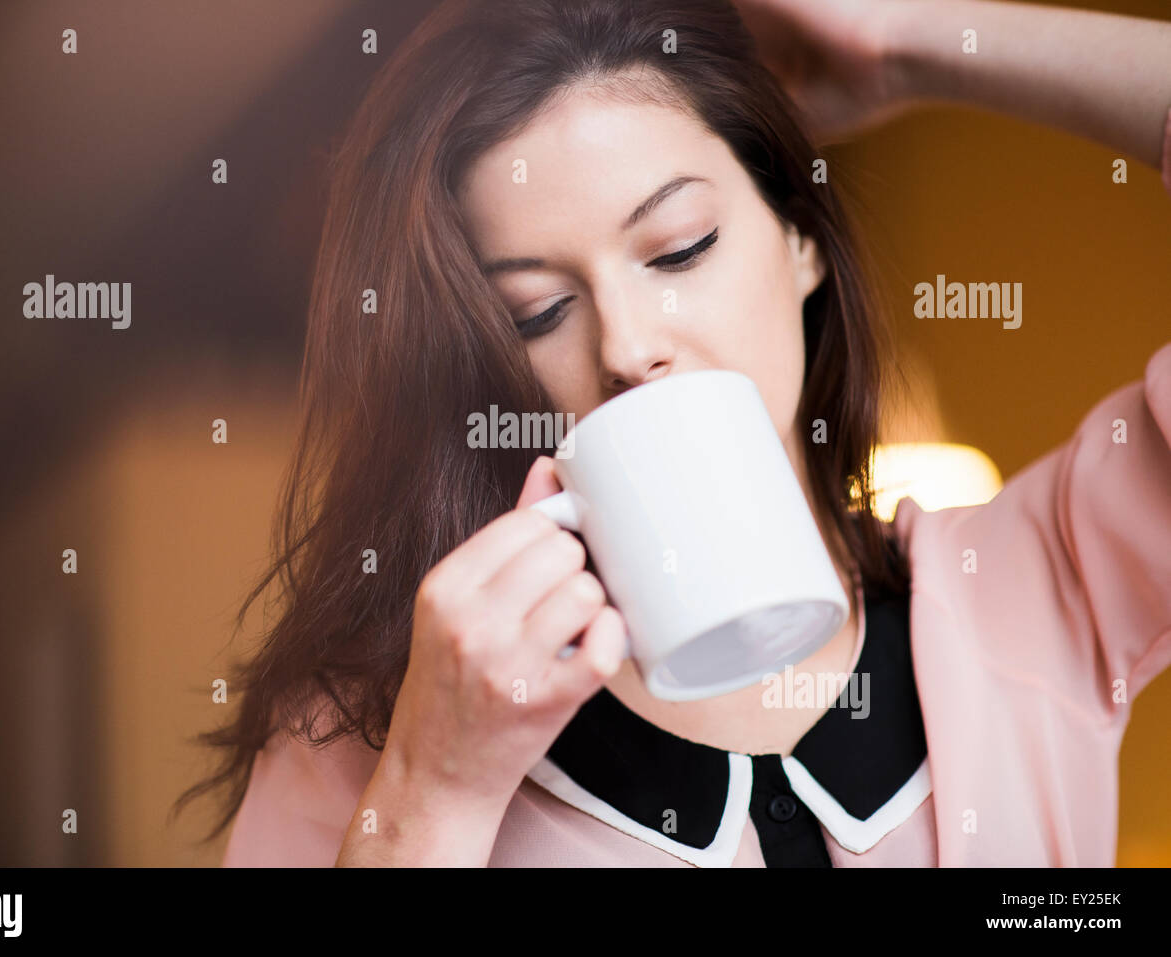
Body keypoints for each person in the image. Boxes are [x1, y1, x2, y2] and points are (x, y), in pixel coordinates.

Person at [172, 0, 1171, 866]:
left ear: (799, 241)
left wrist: (903, 41)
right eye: (536, 312)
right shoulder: (374, 742)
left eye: (680, 248)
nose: (628, 346)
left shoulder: (1040, 583)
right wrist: (434, 796)